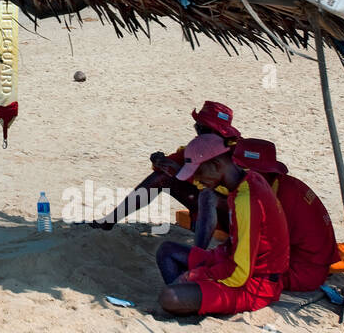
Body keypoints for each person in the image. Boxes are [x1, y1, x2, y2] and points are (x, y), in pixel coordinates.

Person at [155, 134, 289, 316]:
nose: (196, 181)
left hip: (256, 285)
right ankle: (195, 299)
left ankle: (194, 301)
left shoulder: (246, 201)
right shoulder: (246, 180)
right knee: (167, 251)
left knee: (169, 297)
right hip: (229, 258)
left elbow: (240, 274)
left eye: (198, 173)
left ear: (217, 166)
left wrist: (195, 276)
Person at [88, 101, 241, 248]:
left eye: (201, 128)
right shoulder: (200, 146)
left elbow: (235, 197)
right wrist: (161, 162)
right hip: (208, 207)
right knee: (162, 178)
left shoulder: (239, 155)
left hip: (234, 215)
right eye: (198, 126)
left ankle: (200, 251)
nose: (197, 130)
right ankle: (109, 221)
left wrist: (185, 175)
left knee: (208, 197)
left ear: (215, 132)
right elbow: (174, 165)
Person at [232, 138, 338, 292]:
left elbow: (265, 248)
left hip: (303, 273)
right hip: (312, 264)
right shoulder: (284, 185)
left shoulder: (280, 197)